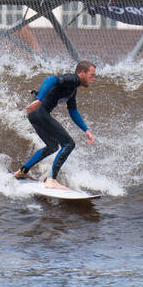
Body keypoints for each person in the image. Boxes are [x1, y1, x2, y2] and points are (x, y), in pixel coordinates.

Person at [11, 60, 97, 190]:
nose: (93, 79)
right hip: (40, 112)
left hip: (35, 114)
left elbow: (73, 111)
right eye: (92, 75)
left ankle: (22, 171)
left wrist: (86, 129)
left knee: (52, 146)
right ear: (82, 73)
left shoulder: (73, 89)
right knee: (69, 144)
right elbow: (50, 79)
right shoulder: (72, 79)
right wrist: (39, 99)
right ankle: (51, 180)